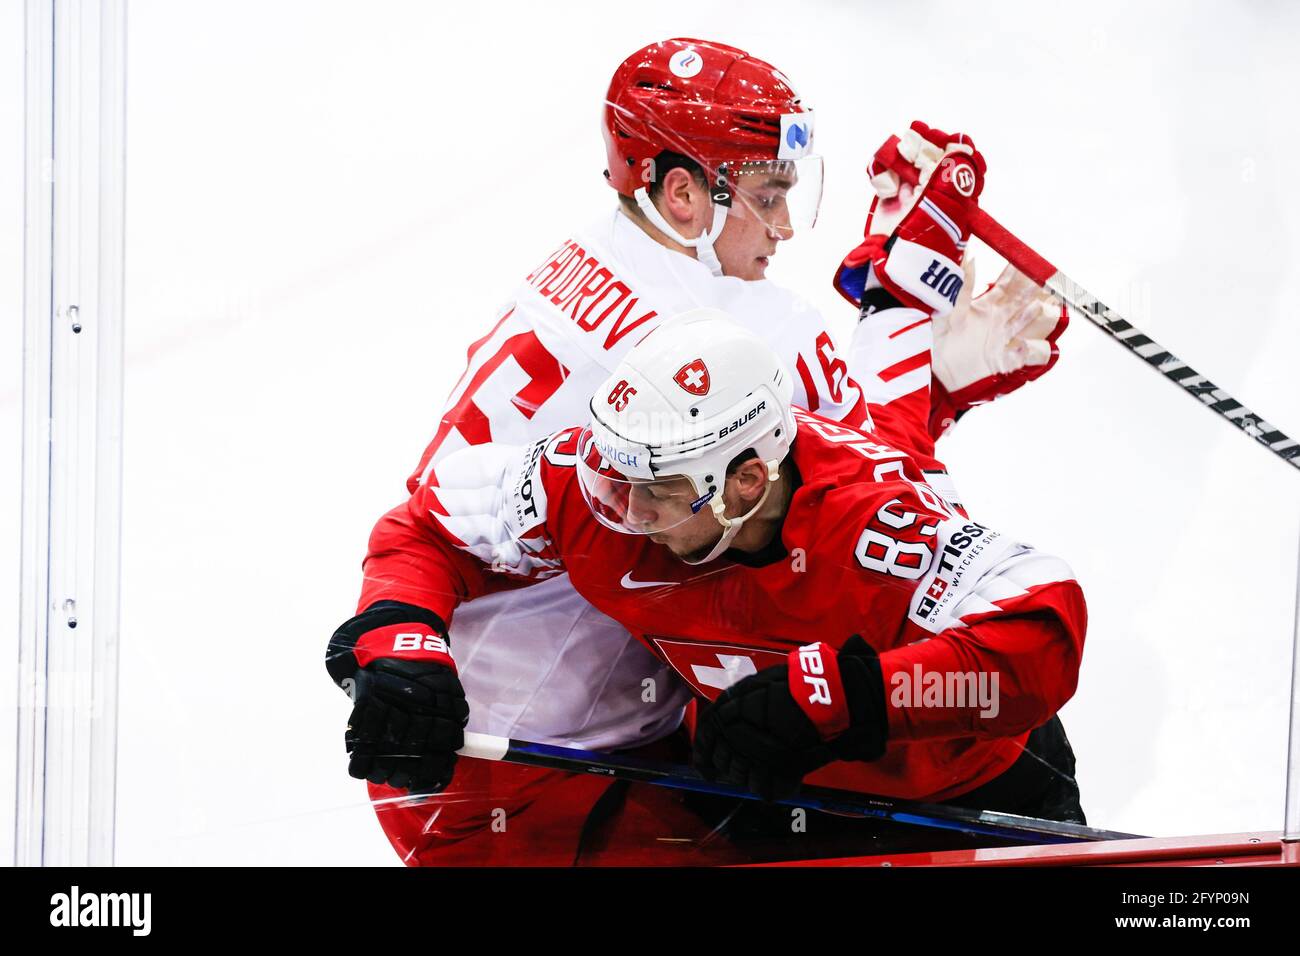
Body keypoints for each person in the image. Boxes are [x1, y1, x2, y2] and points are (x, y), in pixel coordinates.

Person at [330, 37, 1068, 865]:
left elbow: (845, 472)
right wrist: (905, 308)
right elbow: (884, 485)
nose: (786, 226)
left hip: (433, 725)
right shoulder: (718, 346)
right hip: (557, 763)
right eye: (768, 193)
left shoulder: (593, 258)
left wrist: (397, 635)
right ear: (682, 193)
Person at [329, 308, 1088, 852]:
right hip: (776, 794)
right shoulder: (606, 483)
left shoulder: (875, 527)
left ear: (747, 483)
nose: (618, 511)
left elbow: (1040, 643)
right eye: (610, 478)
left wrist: (846, 698)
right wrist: (401, 636)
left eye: (654, 493)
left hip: (968, 796)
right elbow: (429, 525)